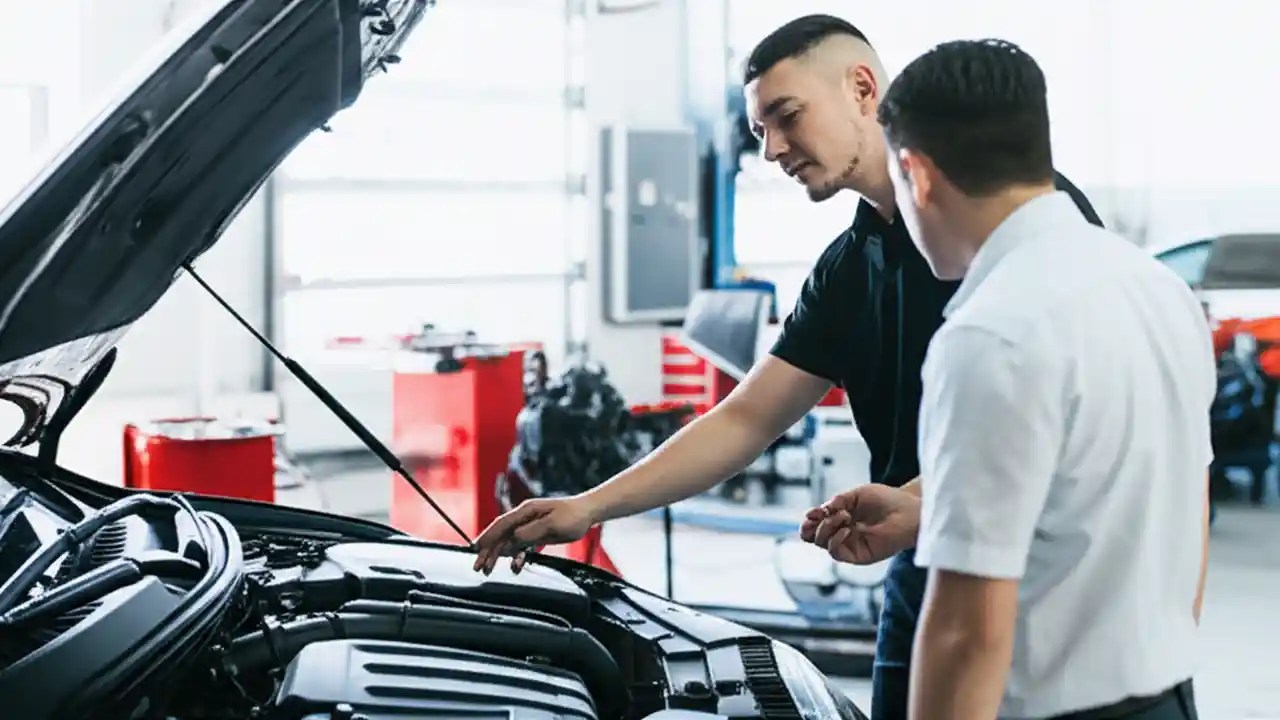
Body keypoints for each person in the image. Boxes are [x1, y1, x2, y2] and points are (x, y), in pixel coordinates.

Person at [470, 15, 1100, 718]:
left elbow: (1050, 422)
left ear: (863, 88)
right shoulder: (847, 267)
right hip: (922, 566)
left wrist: (923, 504)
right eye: (758, 129)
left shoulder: (1027, 228)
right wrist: (588, 507)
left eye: (786, 115)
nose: (771, 148)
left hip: (1039, 579)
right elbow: (745, 418)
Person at [828, 38, 1211, 719]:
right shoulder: (1158, 288)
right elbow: (1174, 509)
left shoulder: (988, 334)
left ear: (915, 175)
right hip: (1169, 698)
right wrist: (932, 510)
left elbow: (967, 634)